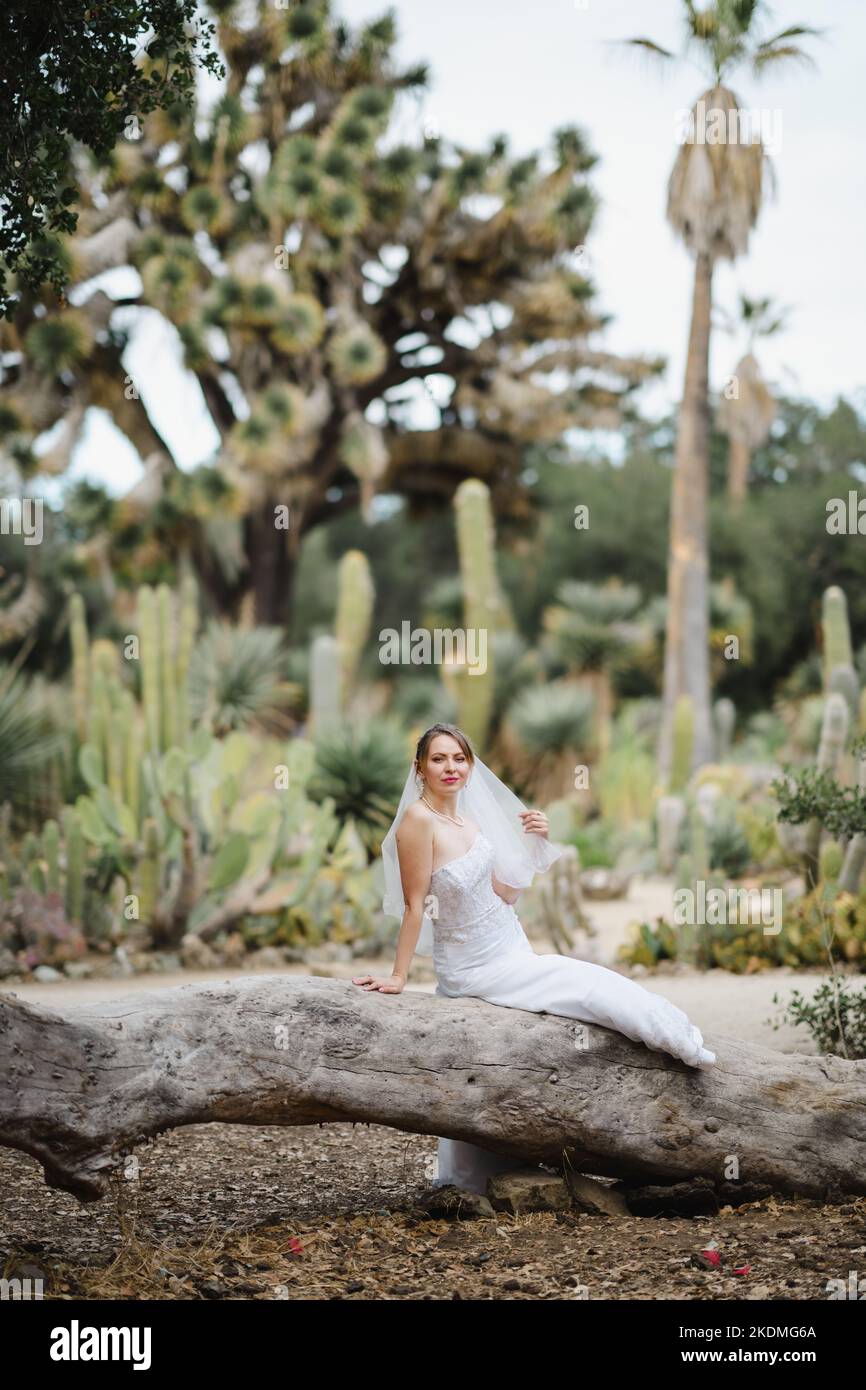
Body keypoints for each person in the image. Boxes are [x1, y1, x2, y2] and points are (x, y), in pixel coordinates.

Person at [352, 722, 716, 1194]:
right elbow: (415, 904)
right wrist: (399, 977)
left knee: (580, 984)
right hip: (473, 967)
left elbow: (503, 894)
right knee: (583, 984)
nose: (451, 768)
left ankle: (677, 1035)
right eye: (439, 759)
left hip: (511, 946)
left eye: (459, 758)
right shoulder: (416, 823)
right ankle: (675, 1039)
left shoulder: (471, 822)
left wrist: (533, 843)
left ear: (470, 765)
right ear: (419, 767)